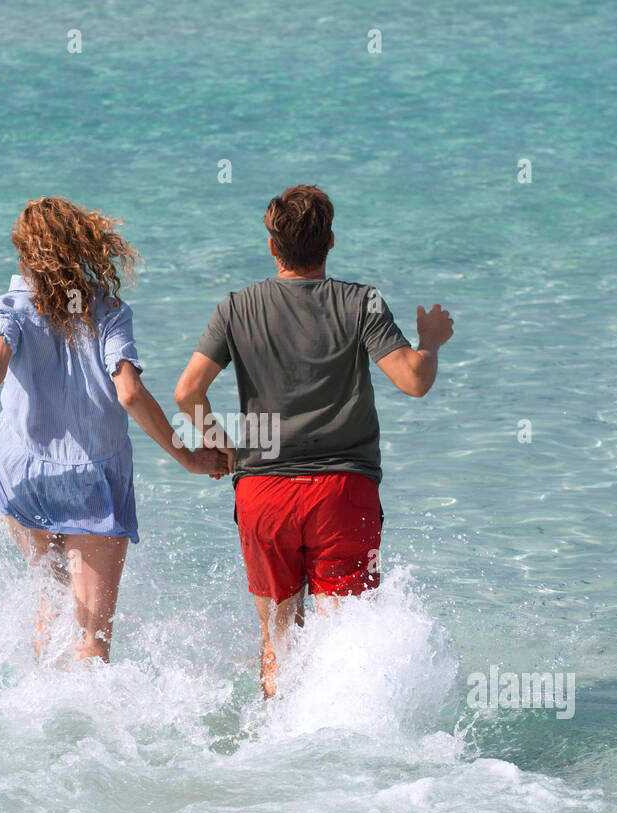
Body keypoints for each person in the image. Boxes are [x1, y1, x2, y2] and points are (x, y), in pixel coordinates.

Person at [0, 197, 228, 663]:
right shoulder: (107, 311)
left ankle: (42, 718)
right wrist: (187, 457)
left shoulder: (10, 306)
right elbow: (129, 393)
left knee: (53, 597)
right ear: (82, 246)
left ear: (26, 252)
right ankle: (87, 729)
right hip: (92, 479)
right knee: (93, 638)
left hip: (21, 471)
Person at [174, 185, 453, 697]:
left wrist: (224, 449)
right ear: (329, 241)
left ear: (271, 246)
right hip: (343, 493)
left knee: (277, 641)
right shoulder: (360, 302)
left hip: (264, 496)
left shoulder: (236, 307)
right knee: (348, 641)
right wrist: (431, 339)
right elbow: (414, 380)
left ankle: (276, 752)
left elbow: (188, 391)